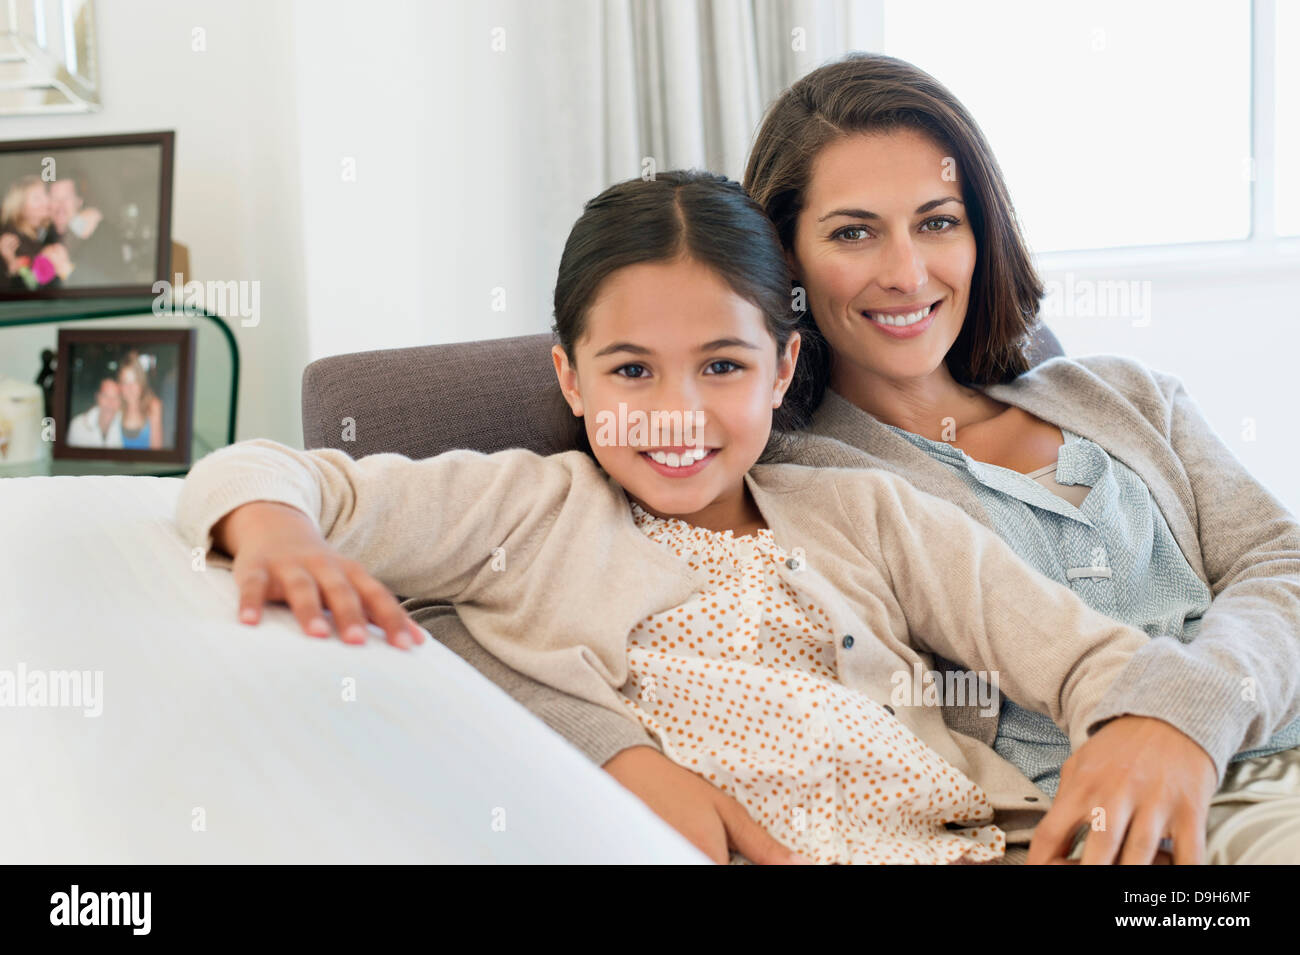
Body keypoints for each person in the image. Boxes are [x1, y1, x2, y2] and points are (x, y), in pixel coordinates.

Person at [423, 53, 1300, 865]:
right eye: (853, 234)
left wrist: (1183, 717)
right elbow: (461, 610)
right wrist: (613, 751)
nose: (907, 271)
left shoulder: (1123, 393)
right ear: (781, 266)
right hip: (1133, 827)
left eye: (938, 222)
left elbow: (1279, 566)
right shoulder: (790, 492)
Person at [175, 171, 1158, 865]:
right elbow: (258, 469)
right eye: (631, 370)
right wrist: (280, 532)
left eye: (721, 367)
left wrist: (1130, 741)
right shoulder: (527, 505)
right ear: (569, 376)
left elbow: (1084, 656)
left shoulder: (862, 508)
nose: (675, 413)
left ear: (779, 370)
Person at [0, 176, 71, 289]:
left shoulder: (47, 229)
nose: (47, 201)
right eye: (37, 198)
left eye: (45, 194)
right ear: (20, 207)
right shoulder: (12, 239)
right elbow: (30, 284)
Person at [117, 352, 165, 450]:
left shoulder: (153, 406)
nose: (130, 388)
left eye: (134, 381)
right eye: (125, 382)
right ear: (120, 385)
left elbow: (157, 451)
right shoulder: (116, 404)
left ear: (141, 383)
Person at [66, 377, 124, 448]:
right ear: (98, 397)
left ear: (121, 401)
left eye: (116, 397)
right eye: (105, 396)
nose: (110, 402)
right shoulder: (78, 425)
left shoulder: (127, 426)